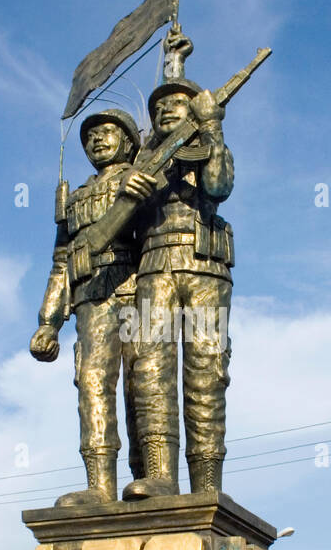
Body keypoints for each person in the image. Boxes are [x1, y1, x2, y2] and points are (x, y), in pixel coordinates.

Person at [120, 75, 235, 499]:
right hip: (153, 267)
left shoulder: (209, 146)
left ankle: (207, 487)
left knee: (207, 372)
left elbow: (218, 186)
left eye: (178, 103)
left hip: (205, 265)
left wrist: (213, 127)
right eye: (159, 106)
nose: (167, 109)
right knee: (150, 370)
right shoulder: (139, 165)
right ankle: (159, 476)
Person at [30, 109, 150, 505]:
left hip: (138, 289)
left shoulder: (143, 174)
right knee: (93, 385)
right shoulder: (76, 198)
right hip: (89, 297)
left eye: (108, 132)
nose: (97, 140)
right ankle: (99, 486)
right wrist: (49, 322)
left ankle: (148, 479)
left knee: (143, 387)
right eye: (90, 136)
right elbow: (61, 260)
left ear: (130, 141)